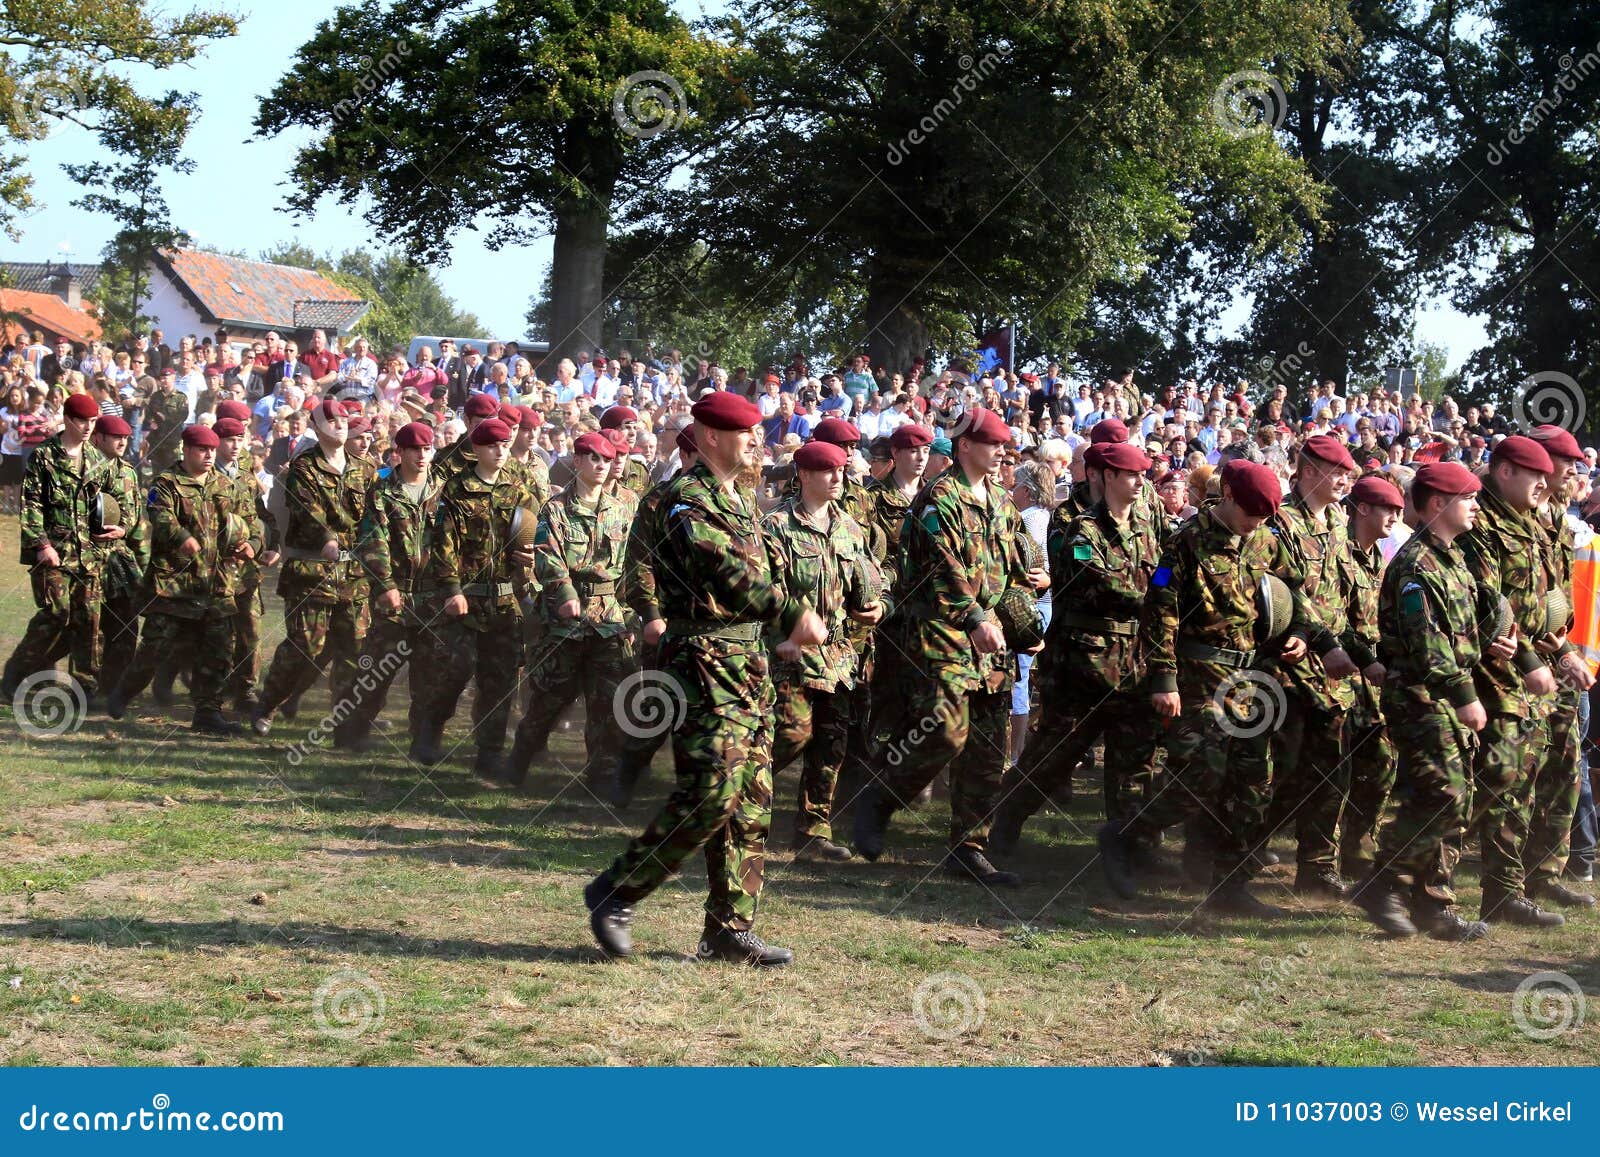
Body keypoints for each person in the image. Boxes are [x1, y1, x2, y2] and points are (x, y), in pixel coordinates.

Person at [583, 390, 826, 966]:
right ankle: (616, 892)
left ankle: (728, 928)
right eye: (745, 433)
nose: (756, 442)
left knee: (750, 800)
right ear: (711, 436)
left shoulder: (738, 498)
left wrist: (778, 638)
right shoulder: (684, 499)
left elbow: (747, 580)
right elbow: (723, 569)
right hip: (701, 663)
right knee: (711, 790)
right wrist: (789, 612)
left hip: (749, 663)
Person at [853, 406, 1041, 887]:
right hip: (943, 633)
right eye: (993, 444)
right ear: (964, 447)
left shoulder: (1000, 501)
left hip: (992, 638)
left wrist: (1032, 589)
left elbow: (1017, 560)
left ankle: (968, 848)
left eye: (1005, 445)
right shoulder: (941, 499)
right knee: (944, 732)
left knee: (984, 748)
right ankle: (879, 799)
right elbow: (943, 570)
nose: (1002, 452)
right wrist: (976, 616)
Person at [1097, 459, 1291, 914]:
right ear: (1226, 498)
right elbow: (1160, 608)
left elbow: (1288, 592)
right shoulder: (1183, 543)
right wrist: (1164, 678)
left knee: (1253, 783)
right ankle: (1124, 835)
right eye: (1251, 514)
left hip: (1247, 681)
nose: (1256, 524)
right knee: (1199, 775)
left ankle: (1228, 884)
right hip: (1196, 676)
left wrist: (1298, 631)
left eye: (1264, 517)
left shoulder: (1263, 540)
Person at [991, 441, 1161, 856]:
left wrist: (1161, 588)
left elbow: (1167, 565)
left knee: (1134, 759)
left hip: (1134, 660)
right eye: (1130, 475)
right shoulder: (1081, 529)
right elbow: (1097, 581)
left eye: (1142, 474)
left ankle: (1129, 849)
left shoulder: (1146, 526)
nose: (1140, 482)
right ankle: (1004, 819)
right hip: (1083, 663)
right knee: (1055, 755)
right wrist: (1155, 596)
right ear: (1106, 476)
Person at [1351, 462, 1497, 941]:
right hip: (1421, 695)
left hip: (1443, 695)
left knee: (1446, 797)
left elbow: (1469, 623)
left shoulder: (1452, 558)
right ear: (1439, 504)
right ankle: (1380, 882)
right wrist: (1465, 695)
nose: (1476, 506)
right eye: (1468, 498)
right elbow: (1427, 644)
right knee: (1444, 795)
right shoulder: (1417, 565)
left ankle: (1432, 904)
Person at [1458, 435, 1569, 927]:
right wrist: (1528, 657)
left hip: (1526, 677)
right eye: (1535, 475)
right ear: (1505, 472)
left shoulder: (1530, 524)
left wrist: (1560, 649)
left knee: (1517, 783)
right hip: (1487, 671)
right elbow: (1489, 600)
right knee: (1488, 781)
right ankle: (1403, 874)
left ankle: (1503, 893)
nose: (1544, 484)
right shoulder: (1478, 522)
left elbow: (1544, 600)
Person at [764, 439, 886, 861]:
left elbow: (872, 580)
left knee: (831, 744)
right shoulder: (776, 527)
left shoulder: (851, 528)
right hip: (789, 652)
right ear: (803, 475)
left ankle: (813, 834)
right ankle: (730, 806)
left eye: (840, 471)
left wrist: (877, 606)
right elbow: (762, 591)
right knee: (790, 736)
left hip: (838, 656)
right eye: (825, 471)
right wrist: (787, 633)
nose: (836, 478)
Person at [1257, 435, 1365, 897]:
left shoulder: (1338, 520)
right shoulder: (1280, 519)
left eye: (1347, 471)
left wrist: (1361, 650)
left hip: (1333, 665)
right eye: (1333, 469)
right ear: (1304, 471)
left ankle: (1317, 867)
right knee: (1284, 768)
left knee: (1329, 769)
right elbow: (1281, 590)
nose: (1343, 478)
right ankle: (1238, 846)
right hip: (1290, 662)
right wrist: (1316, 637)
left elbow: (1345, 589)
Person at [506, 432, 637, 784]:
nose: (600, 465)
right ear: (577, 462)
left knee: (607, 700)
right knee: (552, 698)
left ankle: (602, 772)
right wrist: (565, 594)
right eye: (592, 458)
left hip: (608, 619)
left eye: (606, 460)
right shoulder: (556, 508)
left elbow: (631, 564)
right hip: (567, 620)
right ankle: (520, 757)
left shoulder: (623, 510)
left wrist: (631, 611)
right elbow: (548, 559)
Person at [107, 424, 253, 734]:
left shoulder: (225, 484)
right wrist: (181, 537)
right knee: (155, 647)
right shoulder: (166, 482)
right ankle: (124, 691)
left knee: (218, 651)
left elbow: (248, 521)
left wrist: (252, 543)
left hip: (216, 584)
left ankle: (208, 713)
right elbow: (159, 517)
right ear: (185, 450)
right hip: (174, 584)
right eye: (203, 449)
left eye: (213, 450)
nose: (210, 455)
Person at [414, 418, 537, 775]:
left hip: (504, 598)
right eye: (493, 446)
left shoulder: (519, 488)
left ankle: (490, 752)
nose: (501, 451)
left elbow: (535, 532)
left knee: (499, 679)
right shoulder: (456, 490)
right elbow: (443, 545)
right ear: (479, 448)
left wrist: (531, 556)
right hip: (465, 598)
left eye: (504, 445)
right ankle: (431, 728)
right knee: (455, 669)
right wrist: (451, 590)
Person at [251, 401, 370, 737]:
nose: (340, 425)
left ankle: (344, 720)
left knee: (354, 648)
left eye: (344, 420)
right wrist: (328, 539)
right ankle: (268, 703)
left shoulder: (365, 469)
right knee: (306, 646)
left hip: (354, 576)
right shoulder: (304, 467)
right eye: (331, 421)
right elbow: (309, 511)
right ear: (317, 429)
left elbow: (375, 514)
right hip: (313, 572)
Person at [2, 393, 118, 702]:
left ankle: (85, 687)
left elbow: (111, 503)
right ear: (67, 419)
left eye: (93, 422)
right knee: (56, 613)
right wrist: (41, 544)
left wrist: (119, 525)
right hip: (54, 553)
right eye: (83, 421)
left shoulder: (97, 460)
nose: (89, 427)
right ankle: (17, 672)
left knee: (90, 620)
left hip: (89, 555)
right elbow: (31, 504)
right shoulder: (44, 456)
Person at [1523, 424, 1597, 908]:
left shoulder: (1562, 523)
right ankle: (1503, 884)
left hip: (1562, 662)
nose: (1573, 470)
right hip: (1525, 666)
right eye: (1564, 460)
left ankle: (1545, 871)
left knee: (1565, 768)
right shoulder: (1512, 517)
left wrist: (1572, 654)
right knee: (1515, 776)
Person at [335, 421, 443, 752]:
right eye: (415, 450)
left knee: (429, 673)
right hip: (394, 593)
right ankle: (350, 732)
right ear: (400, 452)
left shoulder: (444, 490)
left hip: (432, 596)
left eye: (427, 449)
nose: (422, 456)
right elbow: (373, 540)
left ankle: (423, 740)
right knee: (377, 669)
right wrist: (385, 585)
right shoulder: (383, 491)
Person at [1337, 474, 1403, 881]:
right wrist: (1365, 657)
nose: (1396, 517)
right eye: (1388, 510)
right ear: (1363, 509)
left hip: (1368, 681)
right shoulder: (1336, 552)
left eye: (1399, 510)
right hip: (1336, 675)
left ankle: (1358, 852)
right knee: (1327, 774)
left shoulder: (1376, 556)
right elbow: (1332, 619)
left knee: (1379, 764)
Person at [212, 406, 271, 714]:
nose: (236, 446)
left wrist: (259, 544)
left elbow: (260, 516)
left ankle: (246, 690)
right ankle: (212, 691)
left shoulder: (246, 472)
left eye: (241, 439)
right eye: (229, 439)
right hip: (214, 567)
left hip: (246, 567)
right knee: (218, 633)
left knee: (251, 629)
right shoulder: (203, 471)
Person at [87, 414, 147, 684]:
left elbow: (136, 516)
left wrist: (125, 530)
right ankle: (88, 682)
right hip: (87, 556)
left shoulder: (128, 472)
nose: (122, 442)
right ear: (98, 437)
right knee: (91, 625)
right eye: (116, 437)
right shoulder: (81, 469)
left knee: (125, 622)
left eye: (125, 438)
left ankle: (115, 684)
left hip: (120, 559)